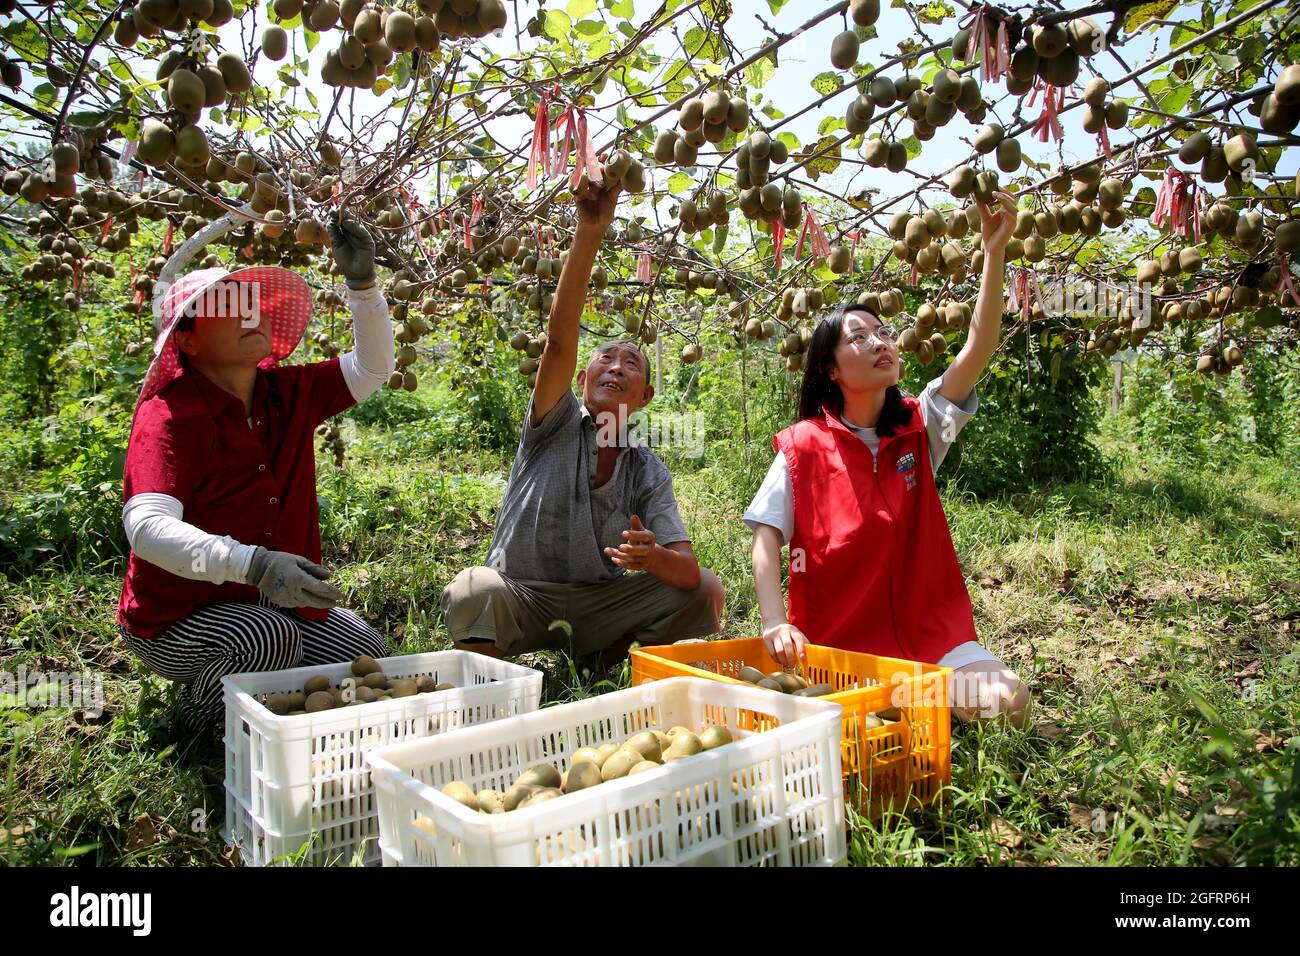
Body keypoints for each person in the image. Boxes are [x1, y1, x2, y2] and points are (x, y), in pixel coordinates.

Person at [744, 191, 1030, 726]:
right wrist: (774, 621)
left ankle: (914, 698)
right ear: (830, 369)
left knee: (1008, 701)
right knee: (853, 714)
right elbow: (765, 536)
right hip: (842, 654)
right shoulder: (803, 445)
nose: (881, 342)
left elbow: (979, 347)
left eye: (882, 332)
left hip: (932, 637)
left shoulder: (920, 427)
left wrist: (995, 254)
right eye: (860, 337)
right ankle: (907, 702)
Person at [117, 212, 394, 741]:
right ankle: (199, 732)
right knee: (263, 640)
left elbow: (371, 369)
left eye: (253, 303)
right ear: (189, 340)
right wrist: (254, 564)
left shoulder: (286, 393)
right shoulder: (172, 416)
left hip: (268, 596)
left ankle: (283, 727)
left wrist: (363, 286)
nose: (252, 314)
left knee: (364, 655)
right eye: (227, 305)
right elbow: (148, 529)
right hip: (178, 616)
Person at [442, 181, 724, 667]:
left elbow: (687, 569)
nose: (616, 367)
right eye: (605, 358)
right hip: (521, 596)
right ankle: (494, 683)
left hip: (598, 604)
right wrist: (589, 232)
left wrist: (652, 557)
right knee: (472, 588)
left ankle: (599, 662)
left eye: (631, 363)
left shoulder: (646, 467)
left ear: (645, 396)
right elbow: (557, 341)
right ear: (581, 377)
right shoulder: (554, 422)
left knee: (707, 591)